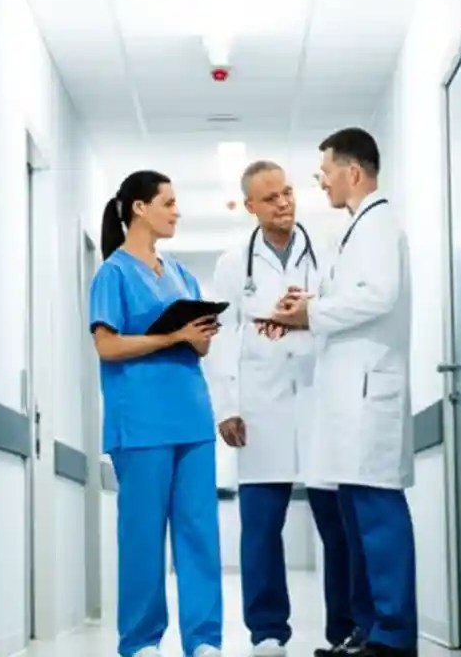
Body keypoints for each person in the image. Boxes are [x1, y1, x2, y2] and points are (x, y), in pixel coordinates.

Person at [205, 160, 371, 657]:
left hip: (322, 399)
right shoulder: (235, 263)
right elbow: (221, 337)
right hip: (262, 406)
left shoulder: (329, 246)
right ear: (251, 206)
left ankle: (344, 628)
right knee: (260, 528)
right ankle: (268, 632)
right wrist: (227, 407)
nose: (284, 203)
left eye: (288, 192)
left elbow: (344, 310)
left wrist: (312, 307)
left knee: (336, 526)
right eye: (271, 197)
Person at [270, 128, 418, 657]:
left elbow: (379, 294)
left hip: (368, 393)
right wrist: (310, 305)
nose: (321, 181)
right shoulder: (357, 229)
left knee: (377, 515)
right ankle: (366, 630)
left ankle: (393, 637)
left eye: (325, 171)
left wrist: (314, 311)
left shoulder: (379, 224)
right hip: (348, 397)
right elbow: (352, 296)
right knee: (356, 519)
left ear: (353, 172)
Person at [88, 170, 224, 657]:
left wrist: (201, 337)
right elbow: (106, 345)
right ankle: (142, 640)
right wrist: (172, 337)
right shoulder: (113, 273)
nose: (176, 211)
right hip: (141, 423)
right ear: (140, 208)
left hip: (191, 417)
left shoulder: (182, 274)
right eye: (168, 202)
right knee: (143, 537)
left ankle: (204, 639)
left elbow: (198, 349)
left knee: (199, 533)